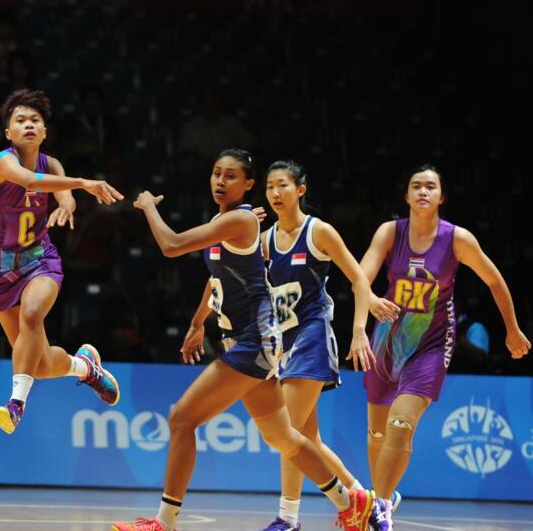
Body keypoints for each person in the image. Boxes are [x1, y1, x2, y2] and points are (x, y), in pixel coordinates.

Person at [113, 149, 375, 531]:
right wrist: (198, 322)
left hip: (255, 341)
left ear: (247, 185)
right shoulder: (228, 220)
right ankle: (353, 503)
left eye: (231, 176)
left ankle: (163, 523)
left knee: (182, 419)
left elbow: (171, 246)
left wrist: (149, 206)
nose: (221, 181)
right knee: (283, 436)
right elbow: (215, 279)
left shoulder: (238, 220)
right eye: (216, 174)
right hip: (244, 340)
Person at [359, 164, 530, 528]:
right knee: (376, 433)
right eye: (416, 186)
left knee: (401, 424)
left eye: (430, 187)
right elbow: (361, 277)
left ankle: (382, 506)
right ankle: (380, 496)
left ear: (441, 197)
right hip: (387, 340)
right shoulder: (390, 232)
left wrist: (512, 330)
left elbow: (495, 281)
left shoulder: (457, 239)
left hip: (432, 344)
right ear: (406, 196)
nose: (423, 191)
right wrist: (365, 316)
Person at [0, 88, 125, 434]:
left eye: (35, 120)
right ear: (9, 133)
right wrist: (83, 183)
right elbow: (31, 182)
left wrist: (66, 204)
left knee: (33, 313)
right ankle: (85, 367)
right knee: (42, 364)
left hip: (39, 261)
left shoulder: (53, 165)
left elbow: (64, 198)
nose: (28, 125)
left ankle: (15, 405)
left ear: (44, 132)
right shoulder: (3, 162)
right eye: (20, 120)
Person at [259, 160, 375, 530]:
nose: (275, 193)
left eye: (282, 185)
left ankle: (287, 519)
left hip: (313, 336)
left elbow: (359, 280)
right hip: (285, 344)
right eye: (269, 187)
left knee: (286, 431)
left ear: (300, 190)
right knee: (308, 440)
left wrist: (359, 330)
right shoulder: (265, 240)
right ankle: (364, 502)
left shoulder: (318, 232)